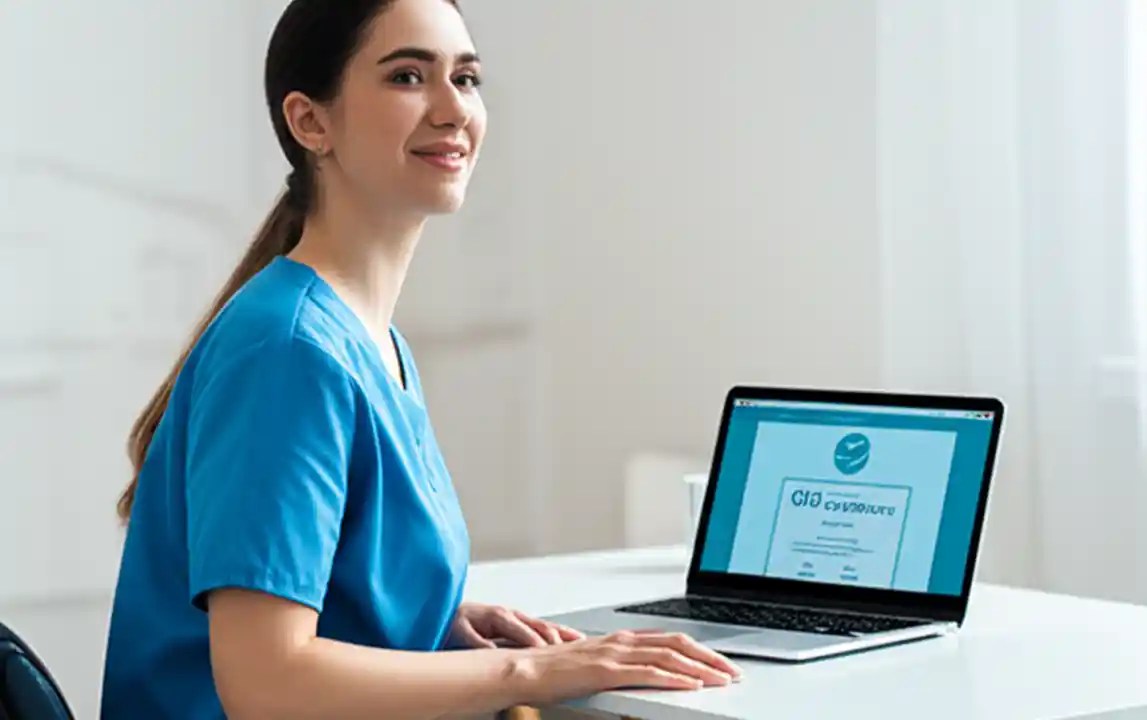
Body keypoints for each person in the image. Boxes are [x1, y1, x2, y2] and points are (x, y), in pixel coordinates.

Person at [100, 1, 742, 717]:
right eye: (408, 76)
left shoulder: (370, 340)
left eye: (466, 79)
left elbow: (324, 591)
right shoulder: (288, 353)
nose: (452, 110)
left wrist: (425, 624)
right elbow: (267, 684)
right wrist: (534, 674)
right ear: (312, 122)